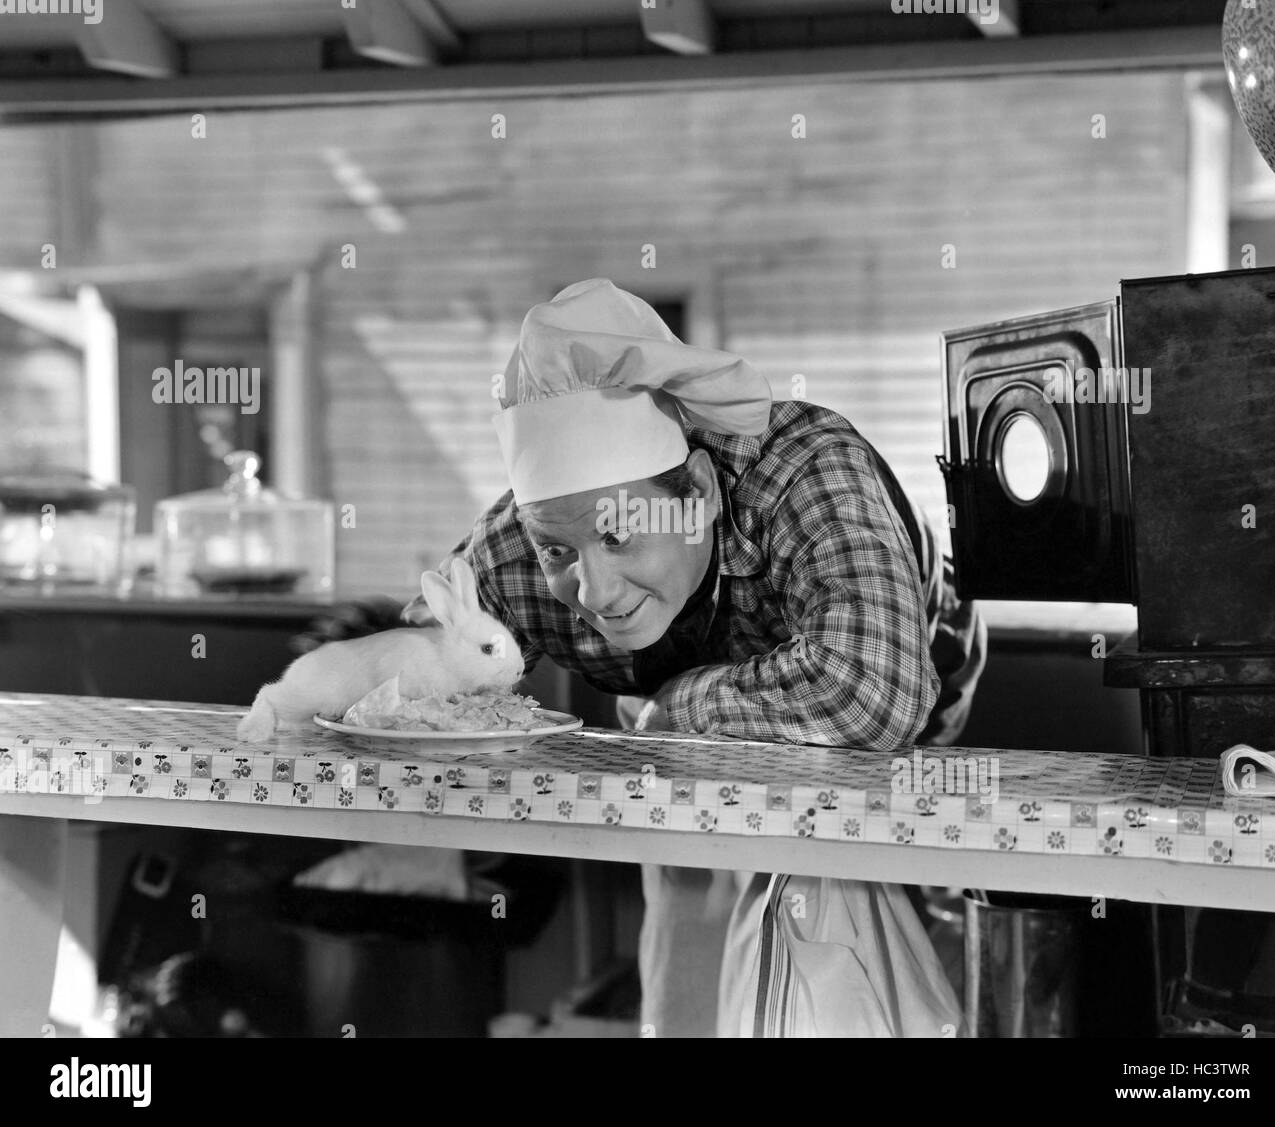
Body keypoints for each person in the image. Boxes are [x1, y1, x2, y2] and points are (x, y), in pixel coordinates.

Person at [311, 278, 986, 1036]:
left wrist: (679, 707)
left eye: (621, 533)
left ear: (695, 490)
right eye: (558, 549)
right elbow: (391, 694)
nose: (592, 590)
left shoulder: (805, 470)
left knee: (867, 885)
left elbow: (872, 693)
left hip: (903, 673)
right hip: (689, 711)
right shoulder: (514, 552)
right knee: (686, 873)